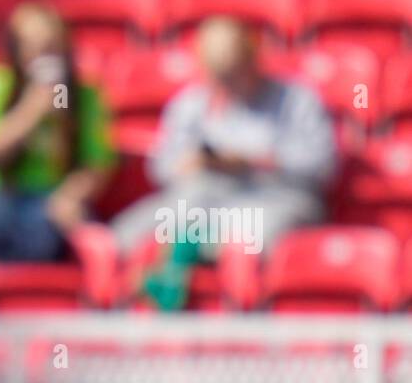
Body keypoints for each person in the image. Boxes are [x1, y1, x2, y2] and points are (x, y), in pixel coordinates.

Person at [110, 16, 337, 310]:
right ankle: (165, 283)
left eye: (233, 72)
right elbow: (161, 168)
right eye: (218, 74)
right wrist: (190, 164)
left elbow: (323, 164)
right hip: (202, 198)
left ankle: (190, 282)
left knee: (237, 236)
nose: (226, 83)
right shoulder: (191, 102)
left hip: (273, 199)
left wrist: (256, 161)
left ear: (253, 58)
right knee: (125, 234)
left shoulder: (296, 99)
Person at [0, 2, 116, 262]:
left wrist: (69, 196)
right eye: (34, 45)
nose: (44, 54)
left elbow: (96, 164)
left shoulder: (85, 95)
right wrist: (29, 113)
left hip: (51, 196)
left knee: (43, 240)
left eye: (52, 45)